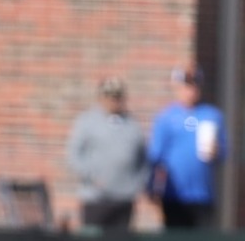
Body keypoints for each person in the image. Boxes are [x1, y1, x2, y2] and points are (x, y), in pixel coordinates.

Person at [147, 66, 226, 228]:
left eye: (195, 86)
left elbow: (225, 151)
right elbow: (156, 155)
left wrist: (217, 150)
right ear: (178, 88)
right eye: (187, 86)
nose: (191, 91)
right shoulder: (167, 117)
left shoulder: (211, 115)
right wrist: (152, 187)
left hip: (202, 194)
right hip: (174, 195)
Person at [68, 76, 150, 231]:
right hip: (96, 198)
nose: (114, 101)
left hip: (124, 198)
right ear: (101, 98)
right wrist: (92, 177)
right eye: (110, 97)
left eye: (118, 97)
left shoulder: (131, 123)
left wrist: (138, 183)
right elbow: (74, 155)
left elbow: (143, 158)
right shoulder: (87, 121)